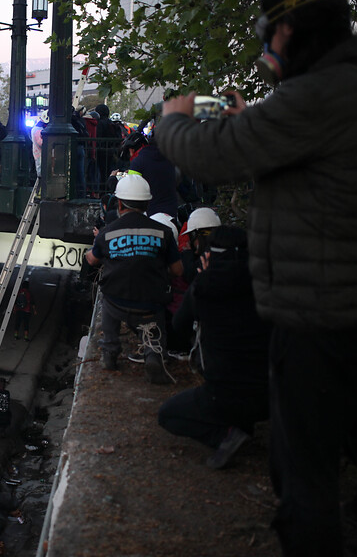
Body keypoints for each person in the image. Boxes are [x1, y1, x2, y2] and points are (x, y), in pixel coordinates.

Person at [154, 0, 357, 555]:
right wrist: (261, 129)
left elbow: (213, 156)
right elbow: (341, 171)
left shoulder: (316, 94)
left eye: (267, 31)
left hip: (321, 323)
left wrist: (173, 119)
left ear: (286, 30)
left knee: (304, 479)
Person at [157, 226, 270, 469]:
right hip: (271, 395)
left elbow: (179, 325)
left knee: (168, 415)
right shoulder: (267, 285)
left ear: (209, 254)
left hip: (223, 394)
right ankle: (243, 426)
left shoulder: (203, 287)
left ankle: (225, 436)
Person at [85, 174, 183, 382]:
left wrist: (88, 253)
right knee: (156, 320)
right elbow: (177, 270)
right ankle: (153, 354)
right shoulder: (163, 232)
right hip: (151, 304)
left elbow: (93, 260)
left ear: (119, 204)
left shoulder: (107, 232)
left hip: (117, 301)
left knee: (107, 300)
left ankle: (109, 352)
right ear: (147, 203)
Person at [127, 128, 178, 218]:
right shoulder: (172, 159)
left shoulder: (138, 162)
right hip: (170, 213)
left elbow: (131, 189)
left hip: (148, 213)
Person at [30, 111, 47, 181]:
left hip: (37, 152)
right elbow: (40, 143)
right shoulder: (39, 130)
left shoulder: (35, 129)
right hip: (40, 153)